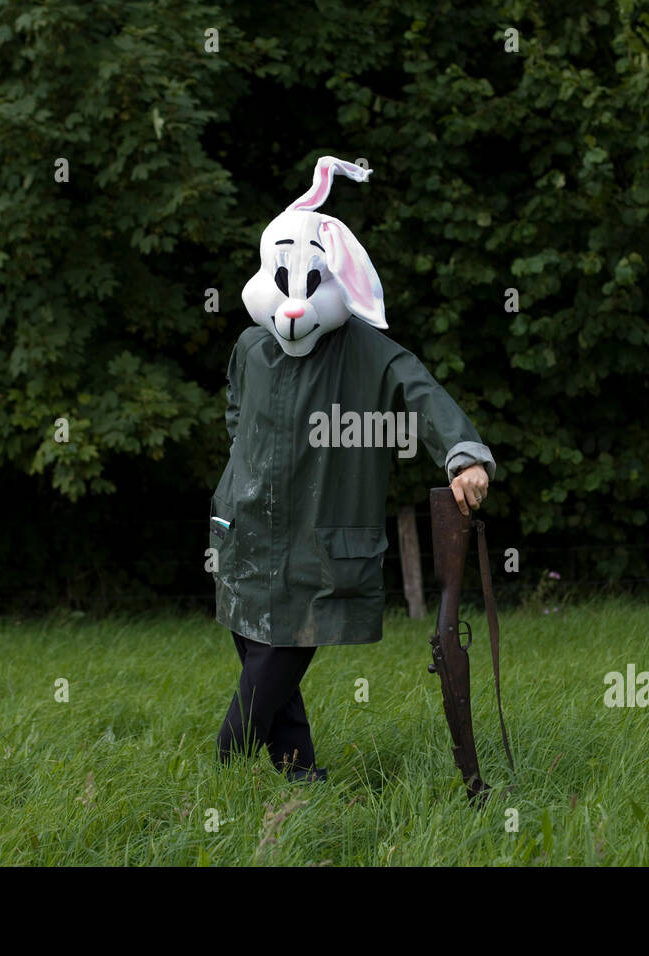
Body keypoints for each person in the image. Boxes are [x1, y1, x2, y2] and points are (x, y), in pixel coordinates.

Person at [211, 157, 495, 782]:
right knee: (260, 654)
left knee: (274, 664)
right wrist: (244, 466)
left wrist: (463, 453)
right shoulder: (251, 347)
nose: (291, 309)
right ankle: (302, 778)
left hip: (318, 543)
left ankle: (219, 774)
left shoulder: (366, 351)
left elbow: (421, 394)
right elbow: (236, 411)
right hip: (245, 529)